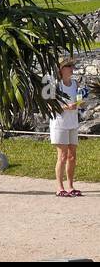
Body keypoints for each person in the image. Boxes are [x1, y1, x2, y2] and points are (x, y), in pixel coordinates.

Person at [51, 58, 83, 198]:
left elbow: (79, 100)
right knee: (62, 156)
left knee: (72, 156)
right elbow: (50, 106)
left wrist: (79, 103)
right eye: (68, 66)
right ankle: (60, 187)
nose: (71, 68)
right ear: (61, 69)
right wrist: (66, 107)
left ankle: (70, 186)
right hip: (59, 124)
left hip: (73, 123)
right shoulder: (56, 85)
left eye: (71, 66)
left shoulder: (75, 83)